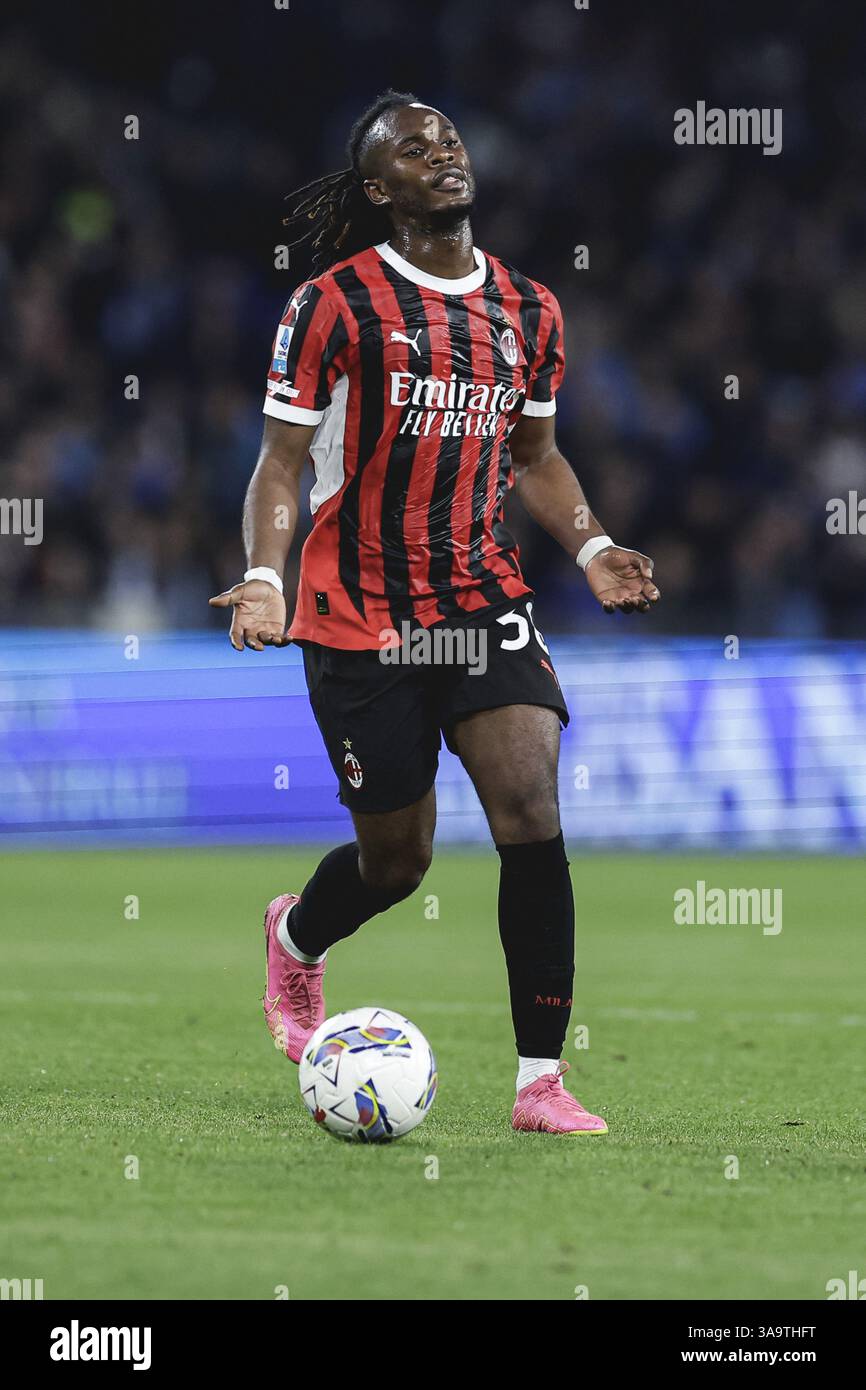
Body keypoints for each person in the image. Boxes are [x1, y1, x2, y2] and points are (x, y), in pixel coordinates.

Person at [210, 90, 660, 1135]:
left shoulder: (530, 309)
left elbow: (533, 455)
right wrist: (265, 575)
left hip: (476, 597)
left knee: (528, 809)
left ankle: (538, 1081)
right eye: (414, 149)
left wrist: (590, 545)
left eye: (449, 138)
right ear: (380, 190)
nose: (442, 152)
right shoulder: (333, 305)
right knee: (395, 863)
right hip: (356, 612)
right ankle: (297, 937)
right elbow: (279, 461)